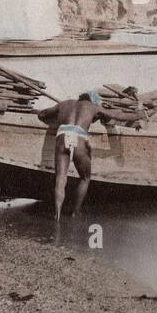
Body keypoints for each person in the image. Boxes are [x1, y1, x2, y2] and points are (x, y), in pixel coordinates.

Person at [36, 90, 145, 222]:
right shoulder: (94, 106)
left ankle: (57, 215)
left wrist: (47, 118)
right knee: (85, 178)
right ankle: (75, 213)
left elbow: (43, 114)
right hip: (79, 137)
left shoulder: (64, 104)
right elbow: (118, 115)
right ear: (92, 100)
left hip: (62, 135)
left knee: (60, 177)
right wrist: (138, 115)